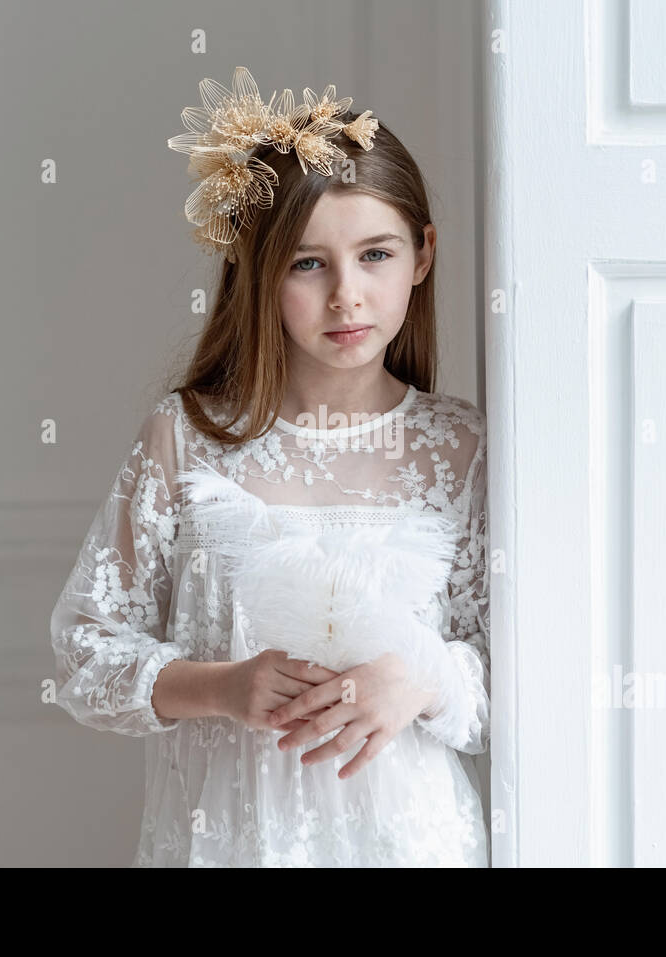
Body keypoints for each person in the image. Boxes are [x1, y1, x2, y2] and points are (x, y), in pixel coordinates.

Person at [49, 67, 490, 866]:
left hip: (412, 842)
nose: (347, 296)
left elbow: (511, 665)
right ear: (259, 272)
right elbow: (85, 653)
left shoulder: (461, 446)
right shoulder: (186, 437)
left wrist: (417, 681)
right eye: (307, 264)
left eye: (376, 254)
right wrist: (221, 686)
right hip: (227, 841)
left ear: (422, 256)